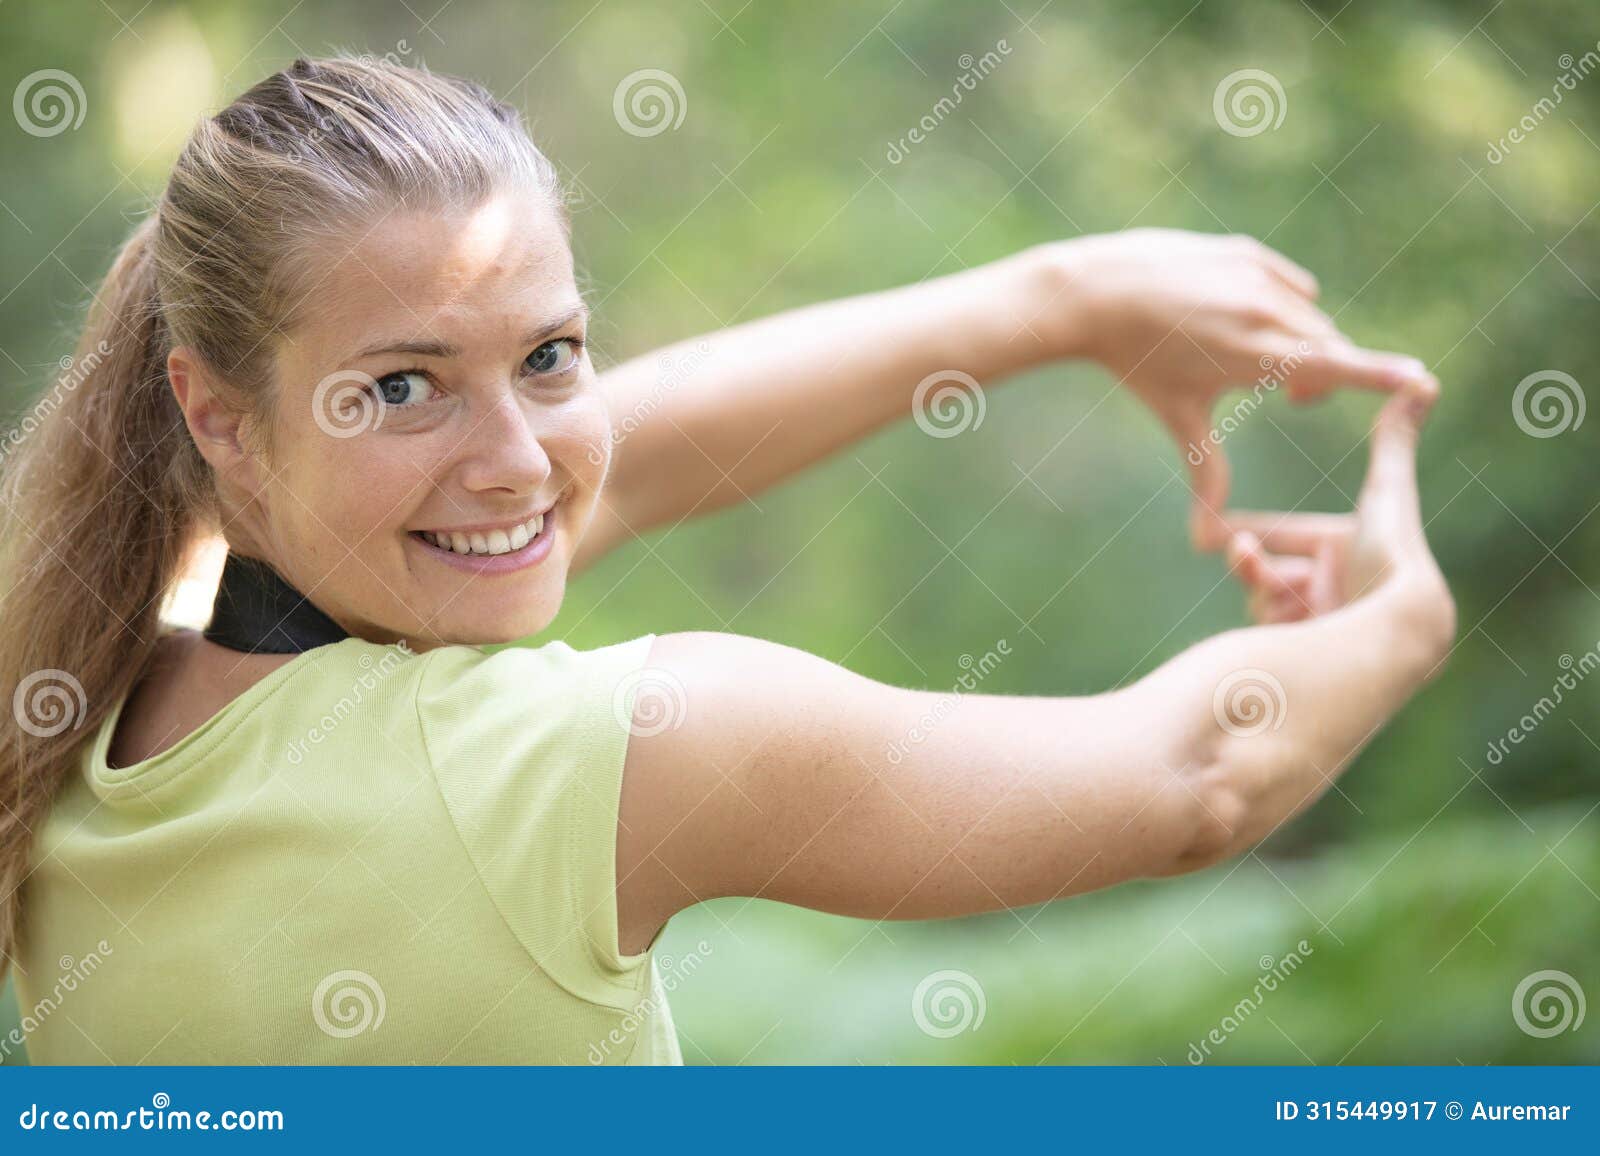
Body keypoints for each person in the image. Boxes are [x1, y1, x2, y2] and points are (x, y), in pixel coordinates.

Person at [0, 57, 1453, 1064]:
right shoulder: (574, 765)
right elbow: (1199, 777)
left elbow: (602, 469)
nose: (516, 455)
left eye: (551, 355)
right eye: (401, 385)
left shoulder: (93, 670)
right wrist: (1399, 615)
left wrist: (1057, 301)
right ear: (220, 418)